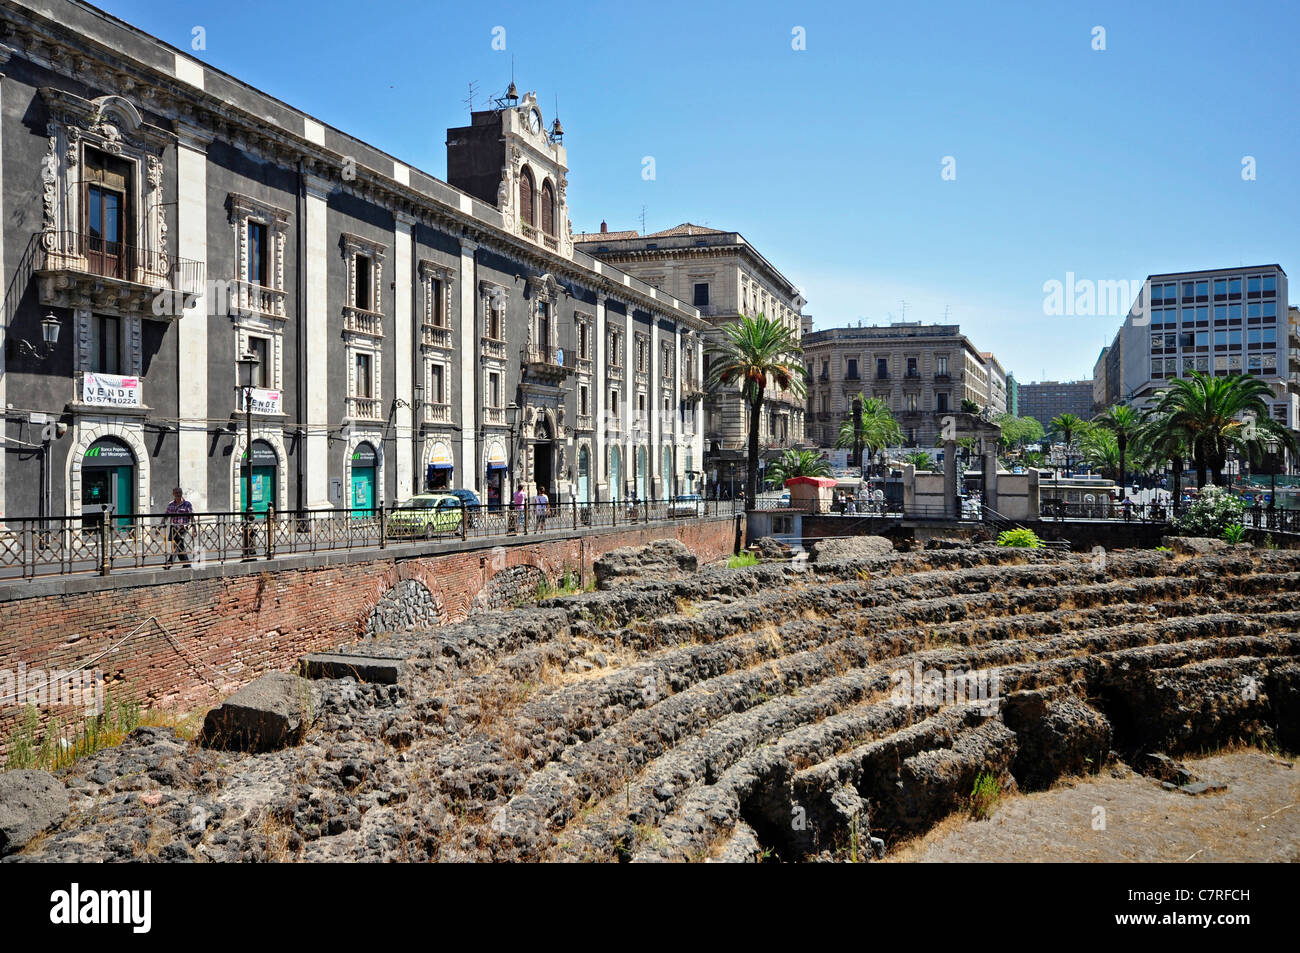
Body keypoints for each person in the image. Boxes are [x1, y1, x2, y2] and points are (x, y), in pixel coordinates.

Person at [164, 487, 194, 568]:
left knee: (178, 545)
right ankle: (186, 564)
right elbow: (166, 516)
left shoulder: (187, 504)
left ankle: (169, 563)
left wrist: (194, 528)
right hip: (174, 528)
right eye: (176, 493)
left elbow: (192, 517)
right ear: (173, 494)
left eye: (180, 492)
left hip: (183, 528)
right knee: (179, 546)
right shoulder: (171, 505)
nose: (178, 494)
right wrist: (160, 527)